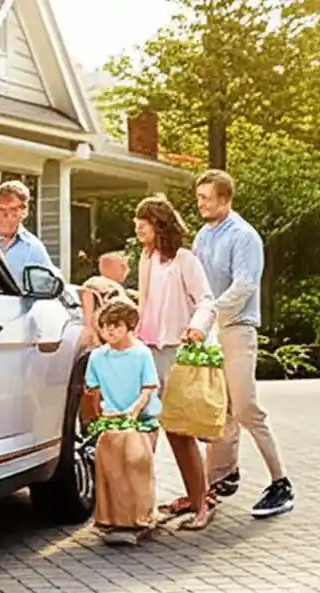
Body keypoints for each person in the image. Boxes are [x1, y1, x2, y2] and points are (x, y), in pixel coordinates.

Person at [192, 170, 294, 518]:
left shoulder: (244, 236)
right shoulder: (202, 236)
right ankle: (221, 477)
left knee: (246, 408)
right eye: (199, 197)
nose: (201, 203)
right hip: (207, 331)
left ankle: (281, 483)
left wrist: (208, 314)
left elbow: (244, 285)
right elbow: (197, 284)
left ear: (225, 198)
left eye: (207, 197)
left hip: (236, 329)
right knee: (218, 407)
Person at [132, 194, 217, 531]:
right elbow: (145, 306)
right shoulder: (146, 258)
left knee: (180, 433)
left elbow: (207, 301)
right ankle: (138, 507)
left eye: (145, 221)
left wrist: (195, 329)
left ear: (160, 224)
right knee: (145, 430)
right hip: (147, 351)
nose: (138, 227)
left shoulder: (184, 260)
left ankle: (200, 505)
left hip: (175, 352)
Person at [85, 298, 161, 545]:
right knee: (108, 457)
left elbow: (148, 388)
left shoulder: (141, 353)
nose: (109, 331)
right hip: (112, 420)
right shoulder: (97, 357)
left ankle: (141, 517)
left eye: (116, 326)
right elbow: (93, 392)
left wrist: (134, 411)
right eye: (105, 326)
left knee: (134, 457)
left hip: (141, 419)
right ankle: (112, 518)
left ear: (130, 327)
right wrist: (97, 417)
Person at [0, 180, 55, 285]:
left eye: (13, 210)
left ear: (24, 212)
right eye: (1, 209)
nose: (6, 216)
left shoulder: (32, 247)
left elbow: (49, 283)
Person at [79, 251, 131, 346]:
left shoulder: (90, 282)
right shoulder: (113, 288)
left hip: (88, 330)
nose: (127, 270)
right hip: (108, 334)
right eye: (123, 266)